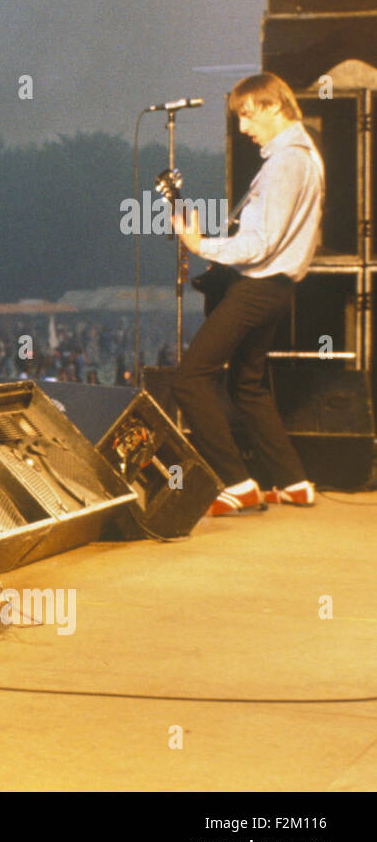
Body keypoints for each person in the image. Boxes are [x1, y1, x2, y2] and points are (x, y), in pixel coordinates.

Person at [172, 71, 323, 514]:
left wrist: (202, 245)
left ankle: (237, 484)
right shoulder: (305, 155)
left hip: (258, 287)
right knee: (247, 385)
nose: (242, 127)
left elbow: (261, 244)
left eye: (247, 114)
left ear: (274, 105)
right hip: (279, 289)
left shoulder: (285, 164)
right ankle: (294, 481)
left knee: (190, 379)